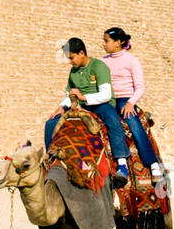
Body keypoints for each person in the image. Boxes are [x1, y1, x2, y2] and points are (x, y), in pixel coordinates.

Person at [45, 37, 130, 184]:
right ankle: (50, 160)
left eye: (72, 58)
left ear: (81, 53)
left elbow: (106, 94)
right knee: (51, 122)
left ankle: (122, 163)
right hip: (80, 104)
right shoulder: (73, 72)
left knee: (112, 118)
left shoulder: (99, 66)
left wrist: (83, 97)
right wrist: (61, 106)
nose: (70, 61)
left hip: (100, 104)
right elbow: (69, 94)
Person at [101, 27, 163, 177]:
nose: (103, 44)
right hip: (107, 99)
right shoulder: (102, 62)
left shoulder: (131, 61)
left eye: (106, 41)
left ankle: (152, 163)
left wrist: (130, 103)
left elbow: (140, 87)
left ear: (117, 43)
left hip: (125, 99)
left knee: (133, 122)